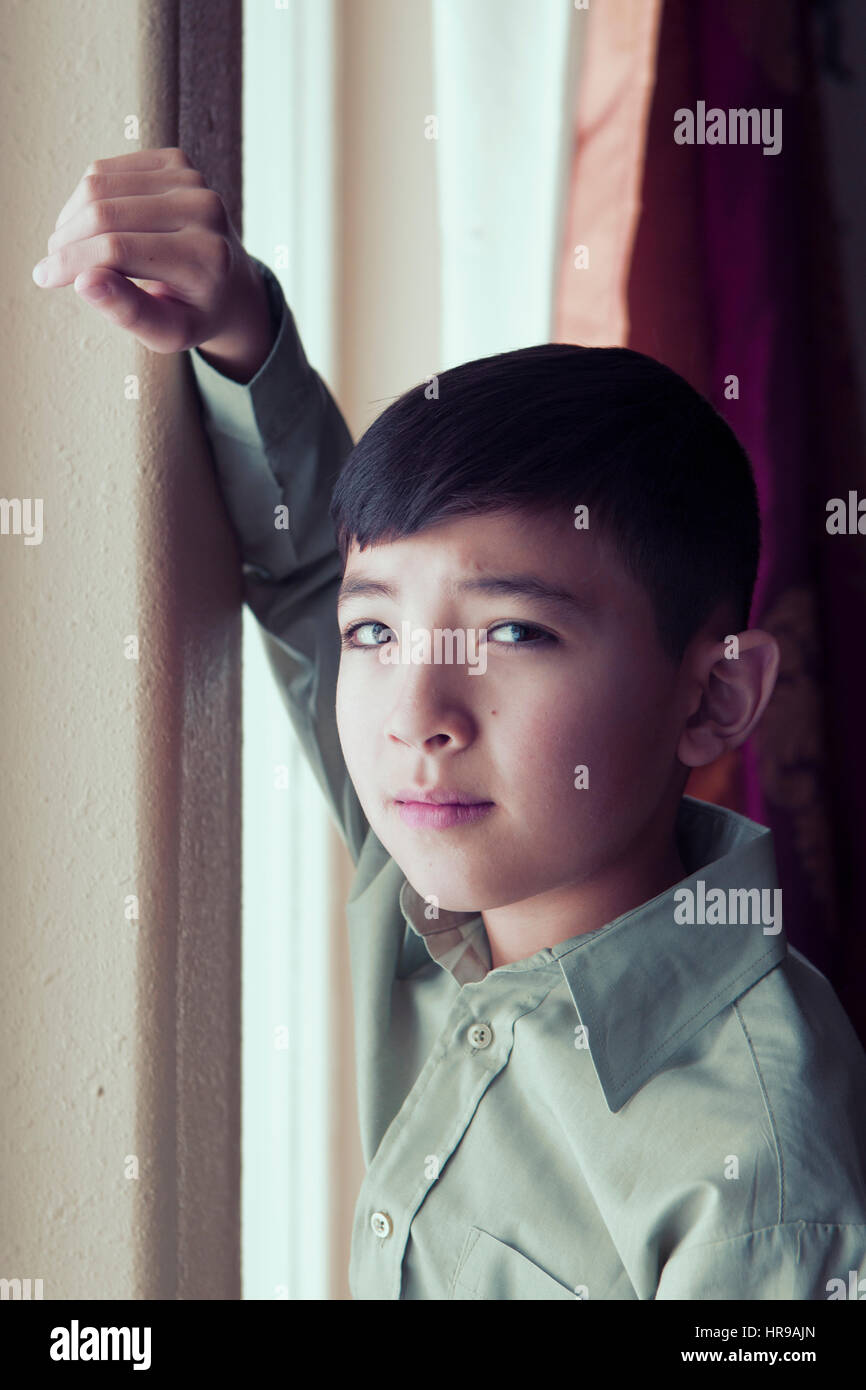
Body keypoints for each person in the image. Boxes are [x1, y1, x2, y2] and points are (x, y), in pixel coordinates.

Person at [36, 147, 866, 1300]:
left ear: (713, 695)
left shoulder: (756, 1179)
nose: (415, 714)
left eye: (513, 633)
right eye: (376, 632)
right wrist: (236, 331)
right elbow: (310, 569)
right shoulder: (435, 863)